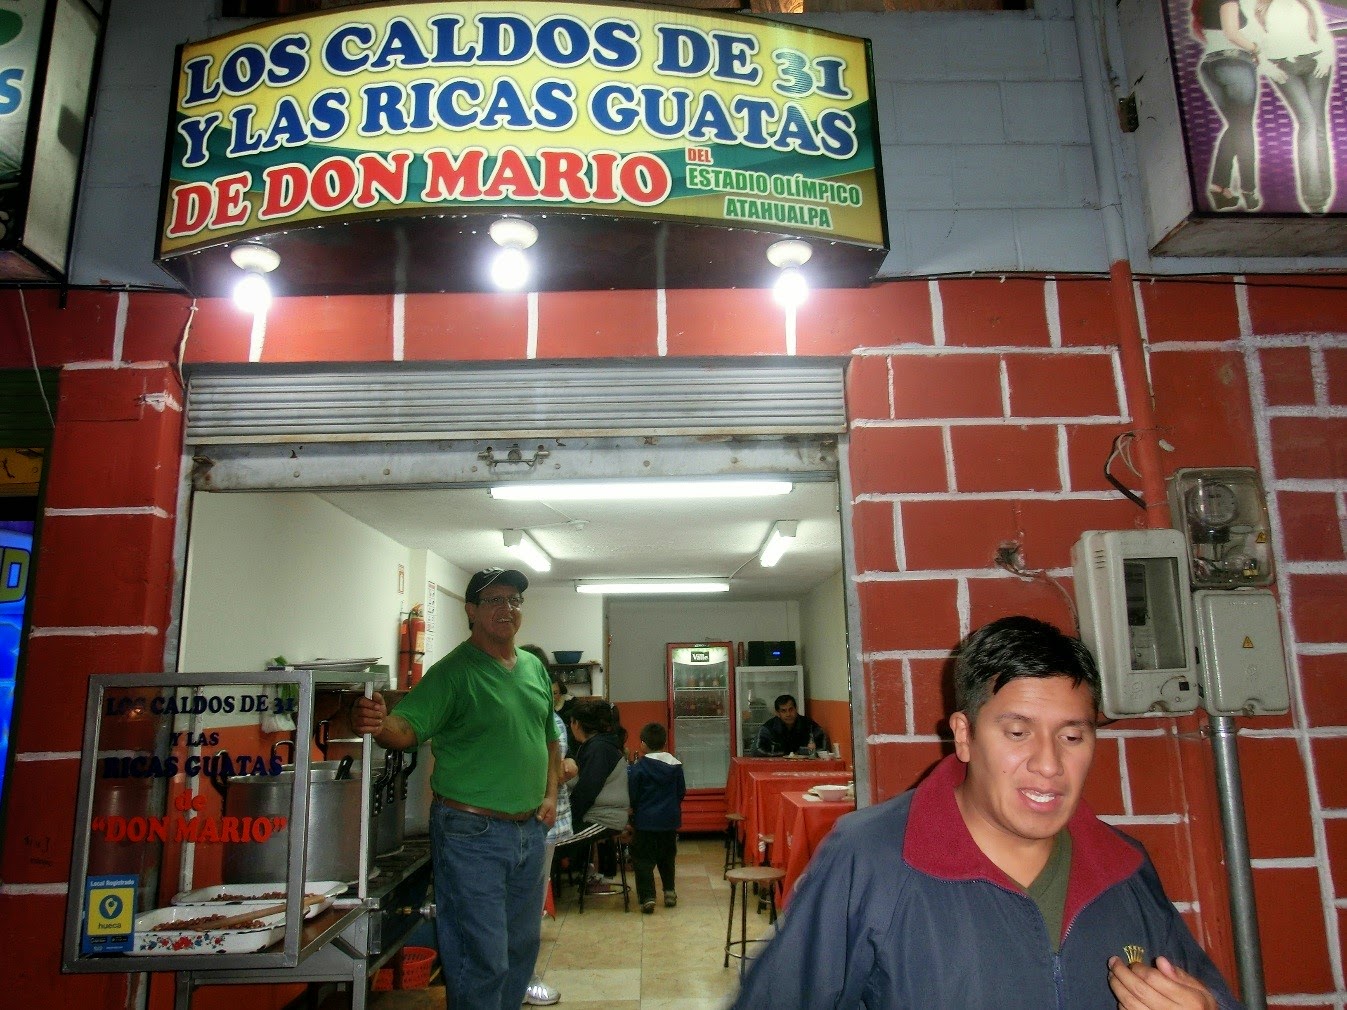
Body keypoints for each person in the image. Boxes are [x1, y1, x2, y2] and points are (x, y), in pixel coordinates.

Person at [731, 616, 1243, 1010]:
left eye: (1072, 736)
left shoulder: (1124, 868)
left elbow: (1207, 990)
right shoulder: (871, 859)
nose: (1049, 764)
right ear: (964, 735)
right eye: (1017, 733)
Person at [351, 568, 561, 1010]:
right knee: (479, 956)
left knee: (521, 949)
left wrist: (550, 794)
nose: (507, 609)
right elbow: (406, 728)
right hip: (472, 834)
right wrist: (377, 725)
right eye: (495, 601)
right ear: (471, 611)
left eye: (515, 600)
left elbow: (549, 739)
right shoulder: (453, 672)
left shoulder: (533, 668)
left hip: (529, 831)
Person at [517, 648, 579, 1008]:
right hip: (526, 823)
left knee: (530, 905)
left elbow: (553, 770)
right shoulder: (535, 716)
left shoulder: (550, 721)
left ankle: (526, 978)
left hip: (542, 822)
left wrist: (564, 769)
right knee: (524, 905)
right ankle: (522, 978)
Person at [1248, 0, 1336, 213]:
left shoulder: (1305, 2)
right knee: (1308, 122)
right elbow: (1255, 40)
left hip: (1315, 60)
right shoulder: (1260, 6)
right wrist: (1266, 67)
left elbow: (1323, 31)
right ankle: (1314, 198)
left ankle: (1325, 191)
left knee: (1318, 126)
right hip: (1283, 66)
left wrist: (1326, 57)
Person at [1192, 0, 1265, 210]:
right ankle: (1248, 190)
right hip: (1234, 63)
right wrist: (1256, 49)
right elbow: (1232, 33)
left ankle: (1219, 187)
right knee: (1243, 128)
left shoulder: (1203, 5)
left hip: (1210, 66)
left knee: (1236, 126)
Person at [626, 721, 686, 914]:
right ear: (665, 743)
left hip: (645, 822)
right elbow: (681, 792)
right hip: (669, 822)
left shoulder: (639, 767)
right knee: (667, 858)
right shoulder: (676, 766)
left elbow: (633, 795)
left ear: (643, 744)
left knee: (643, 860)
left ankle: (648, 897)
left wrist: (635, 811)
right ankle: (669, 892)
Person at [754, 694, 828, 756]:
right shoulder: (768, 728)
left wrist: (799, 752)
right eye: (783, 711)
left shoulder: (809, 724)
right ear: (777, 713)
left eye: (791, 709)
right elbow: (758, 750)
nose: (788, 714)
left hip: (804, 767)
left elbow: (822, 748)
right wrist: (786, 754)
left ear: (796, 709)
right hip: (777, 767)